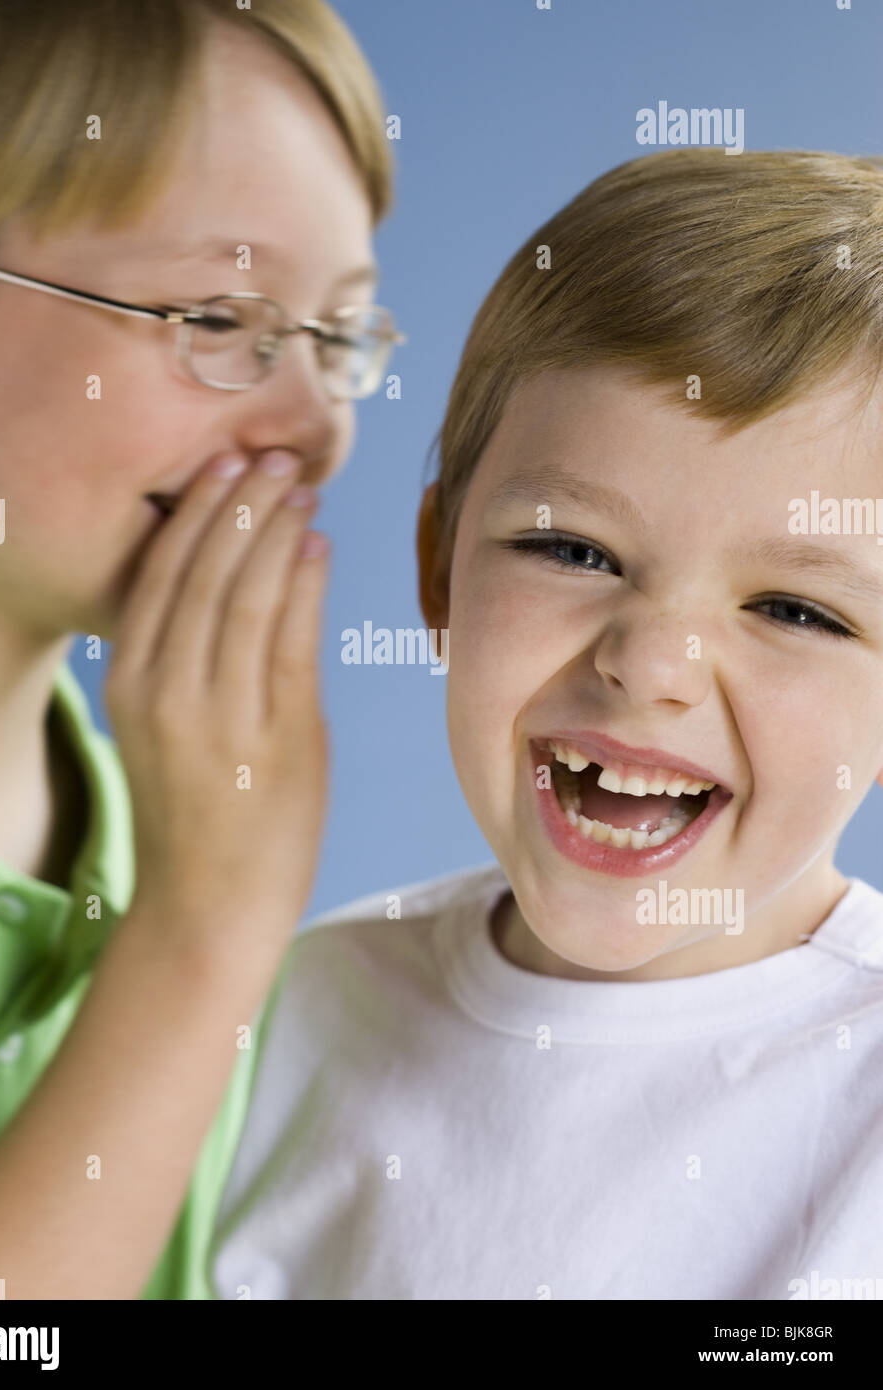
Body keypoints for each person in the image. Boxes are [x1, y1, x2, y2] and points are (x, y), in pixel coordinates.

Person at [209, 147, 883, 1300]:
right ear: (438, 569)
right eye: (572, 549)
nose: (651, 665)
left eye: (793, 608)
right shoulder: (286, 1013)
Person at [0, 0, 400, 1299]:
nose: (313, 426)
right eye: (216, 315)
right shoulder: (214, 902)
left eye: (339, 337)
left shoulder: (192, 860)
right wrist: (200, 939)